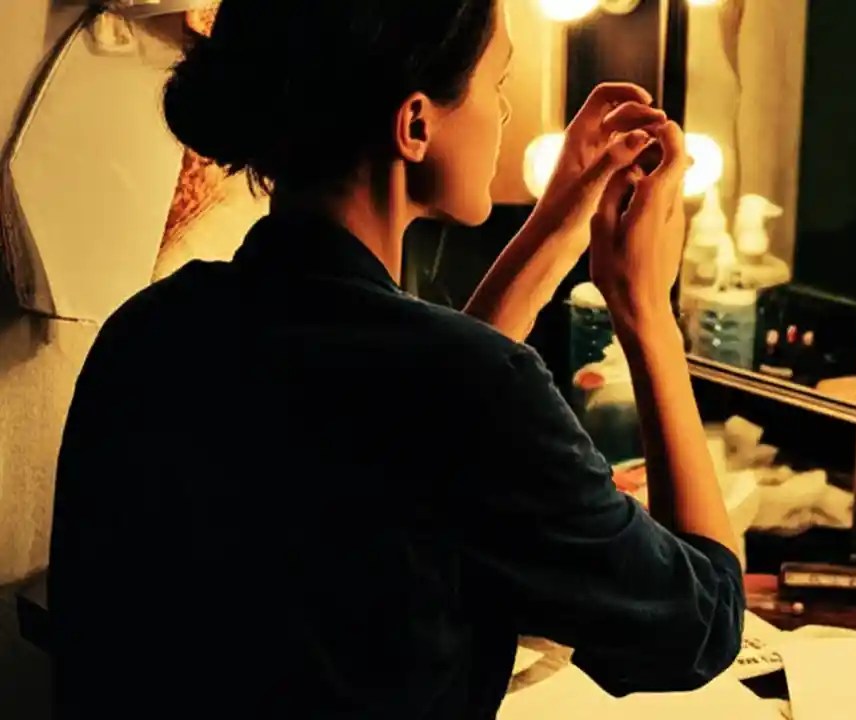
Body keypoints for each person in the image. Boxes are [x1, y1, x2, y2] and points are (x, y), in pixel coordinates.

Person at [48, 1, 744, 717]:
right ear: (415, 125)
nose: (502, 114)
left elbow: (422, 422)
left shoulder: (149, 334)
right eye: (496, 85)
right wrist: (647, 313)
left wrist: (559, 225)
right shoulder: (460, 388)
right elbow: (701, 625)